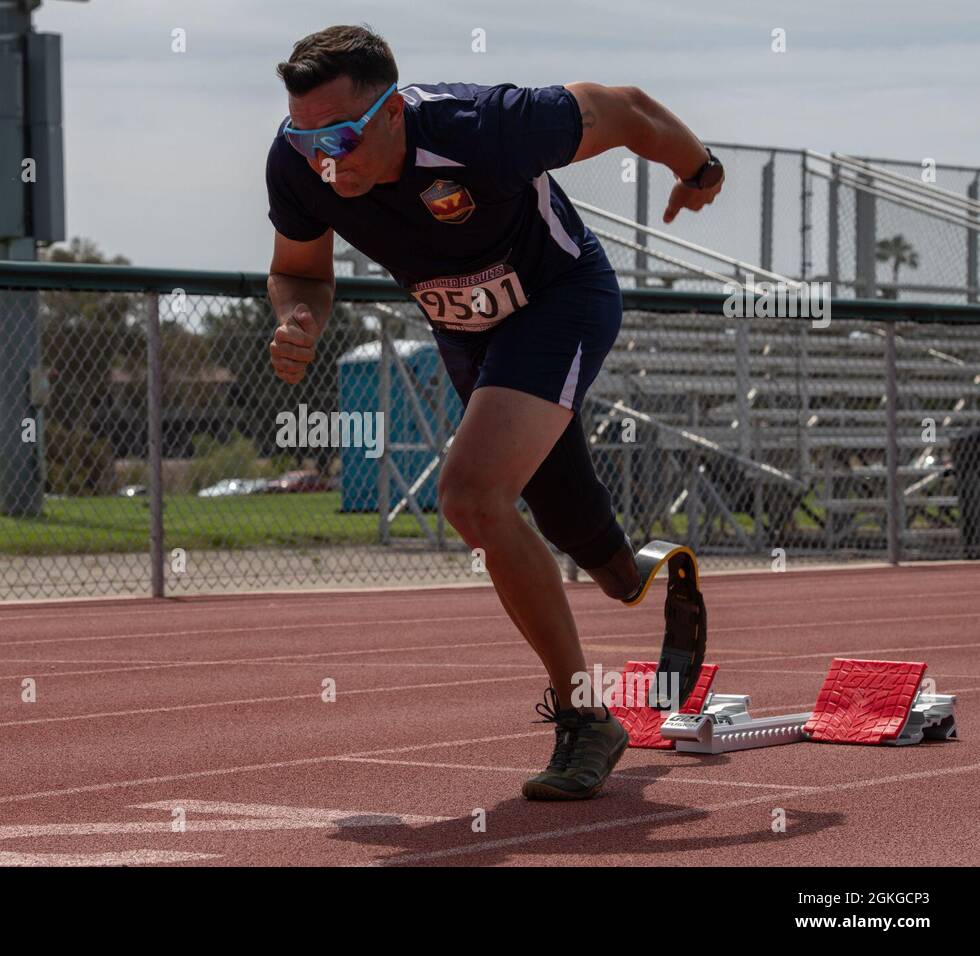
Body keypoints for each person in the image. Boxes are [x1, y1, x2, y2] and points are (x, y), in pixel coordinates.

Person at [264, 25, 723, 800]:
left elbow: (625, 109)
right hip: (468, 332)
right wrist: (298, 319)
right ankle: (652, 569)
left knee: (472, 496)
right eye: (303, 137)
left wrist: (698, 168)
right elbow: (296, 271)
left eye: (340, 136)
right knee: (594, 555)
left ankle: (587, 719)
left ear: (394, 114)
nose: (323, 158)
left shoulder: (487, 126)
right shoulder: (299, 165)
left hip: (559, 300)